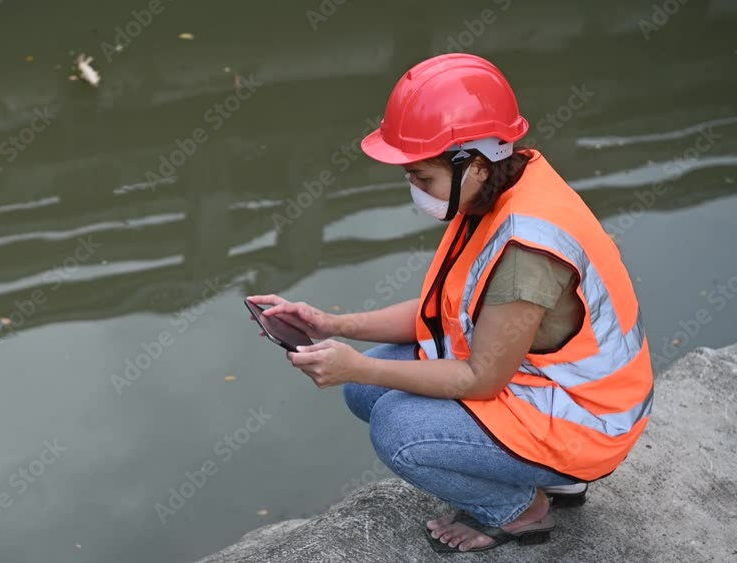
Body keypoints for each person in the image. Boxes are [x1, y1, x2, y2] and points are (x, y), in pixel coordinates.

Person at [246, 53, 653, 553]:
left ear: (476, 165)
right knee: (365, 394)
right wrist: (334, 322)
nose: (414, 190)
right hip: (542, 382)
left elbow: (480, 378)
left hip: (585, 420)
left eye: (422, 177)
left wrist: (356, 367)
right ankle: (549, 478)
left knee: (399, 429)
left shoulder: (526, 252)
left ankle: (522, 511)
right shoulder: (499, 190)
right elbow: (442, 313)